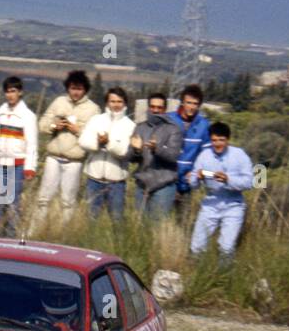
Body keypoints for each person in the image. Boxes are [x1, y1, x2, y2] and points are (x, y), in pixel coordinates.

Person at [187, 121, 255, 264]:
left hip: (233, 204)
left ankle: (223, 279)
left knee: (226, 246)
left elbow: (249, 182)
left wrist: (228, 180)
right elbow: (193, 182)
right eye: (214, 140)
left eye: (221, 140)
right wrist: (196, 178)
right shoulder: (204, 155)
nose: (217, 144)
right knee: (197, 245)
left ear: (228, 140)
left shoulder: (239, 154)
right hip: (210, 203)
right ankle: (196, 273)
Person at [35, 70, 99, 220]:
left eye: (79, 89)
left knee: (68, 201)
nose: (75, 92)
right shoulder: (59, 102)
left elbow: (94, 136)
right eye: (72, 88)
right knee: (44, 197)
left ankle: (64, 232)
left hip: (75, 160)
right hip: (54, 157)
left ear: (85, 89)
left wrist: (78, 131)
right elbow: (41, 124)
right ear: (67, 88)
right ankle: (35, 229)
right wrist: (53, 126)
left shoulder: (93, 109)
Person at [0, 75, 38, 236]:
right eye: (7, 92)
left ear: (20, 92)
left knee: (12, 202)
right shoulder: (1, 113)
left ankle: (13, 236)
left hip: (17, 164)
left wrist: (30, 167)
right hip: (1, 163)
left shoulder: (28, 116)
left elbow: (32, 144)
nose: (10, 95)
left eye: (13, 91)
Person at [78, 87, 134, 219]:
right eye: (112, 101)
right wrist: (98, 143)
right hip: (94, 178)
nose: (116, 105)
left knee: (116, 219)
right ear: (107, 103)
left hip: (116, 182)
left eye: (119, 101)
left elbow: (124, 151)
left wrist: (108, 143)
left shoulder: (130, 125)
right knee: (91, 218)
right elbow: (83, 141)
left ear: (125, 103)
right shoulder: (96, 120)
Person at [128, 92, 183, 218]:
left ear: (165, 109)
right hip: (142, 184)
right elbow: (130, 158)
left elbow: (173, 156)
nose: (155, 110)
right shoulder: (140, 128)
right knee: (138, 227)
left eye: (159, 107)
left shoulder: (173, 129)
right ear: (148, 107)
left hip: (163, 185)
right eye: (152, 107)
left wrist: (156, 149)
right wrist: (136, 150)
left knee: (157, 228)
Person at [166, 84, 210, 206]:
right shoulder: (169, 119)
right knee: (162, 220)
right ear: (182, 103)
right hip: (167, 180)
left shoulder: (204, 125)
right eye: (188, 103)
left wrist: (196, 172)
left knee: (182, 221)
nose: (191, 107)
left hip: (187, 182)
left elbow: (206, 154)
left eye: (195, 104)